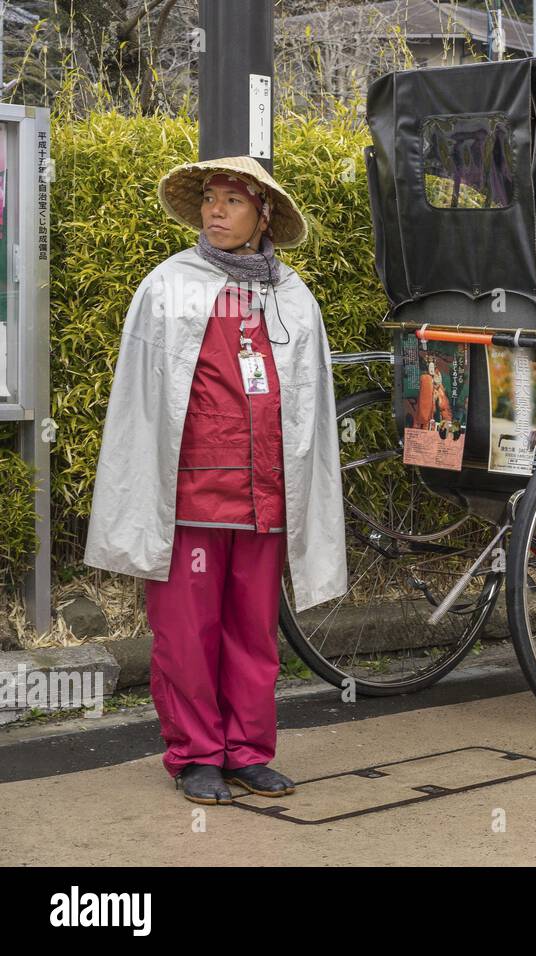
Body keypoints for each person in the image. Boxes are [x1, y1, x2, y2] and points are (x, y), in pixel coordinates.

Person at [83, 156, 347, 806]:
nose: (215, 211)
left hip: (263, 502)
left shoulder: (292, 297)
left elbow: (308, 407)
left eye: (231, 200)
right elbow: (142, 407)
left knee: (253, 636)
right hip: (189, 504)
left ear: (263, 216)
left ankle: (248, 752)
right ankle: (195, 755)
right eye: (209, 198)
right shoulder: (168, 288)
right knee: (187, 637)